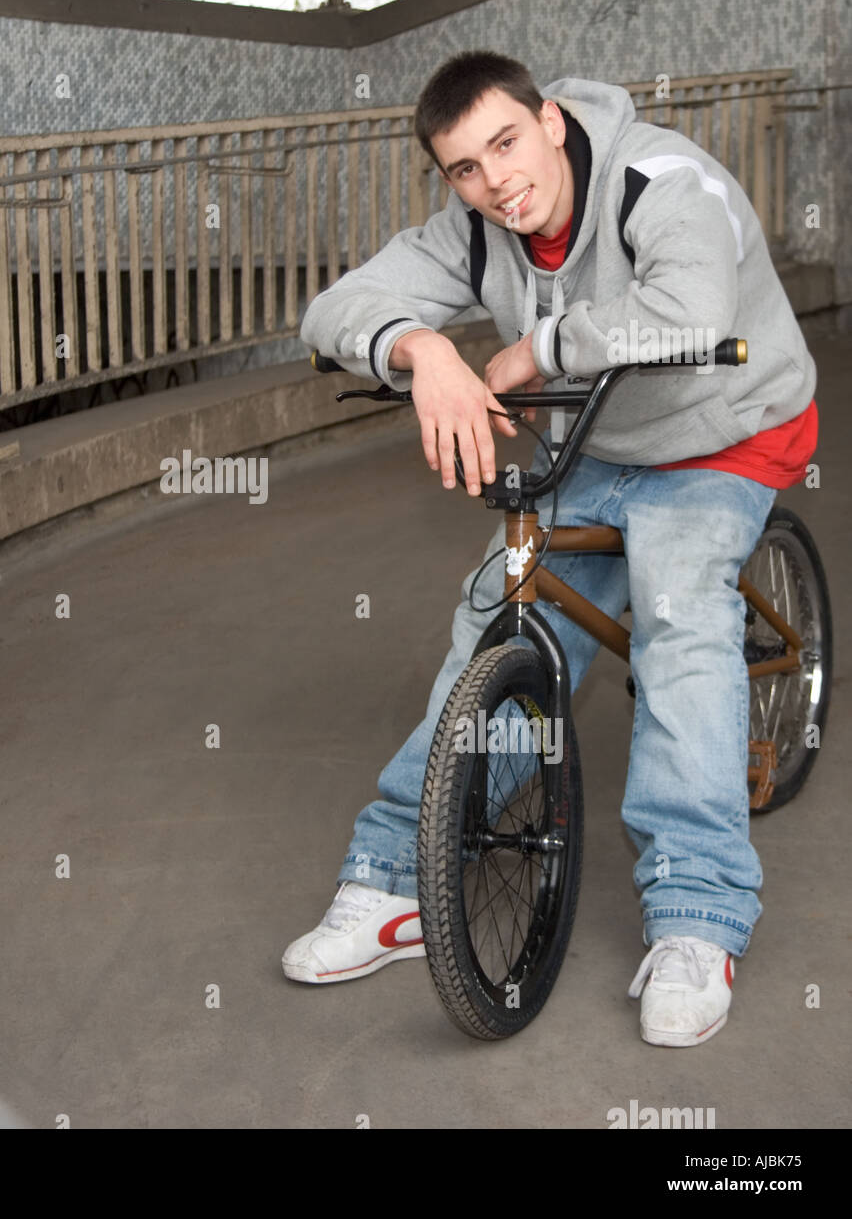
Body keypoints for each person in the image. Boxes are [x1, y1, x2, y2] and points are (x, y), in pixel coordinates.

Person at [289, 50, 818, 1046]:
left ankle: (698, 916)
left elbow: (690, 311)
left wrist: (541, 348)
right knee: (492, 623)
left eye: (505, 142)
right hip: (600, 441)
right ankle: (395, 877)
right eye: (464, 167)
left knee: (675, 616)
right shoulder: (479, 227)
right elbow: (334, 306)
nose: (495, 180)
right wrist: (425, 349)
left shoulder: (660, 183)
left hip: (726, 433)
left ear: (553, 119)